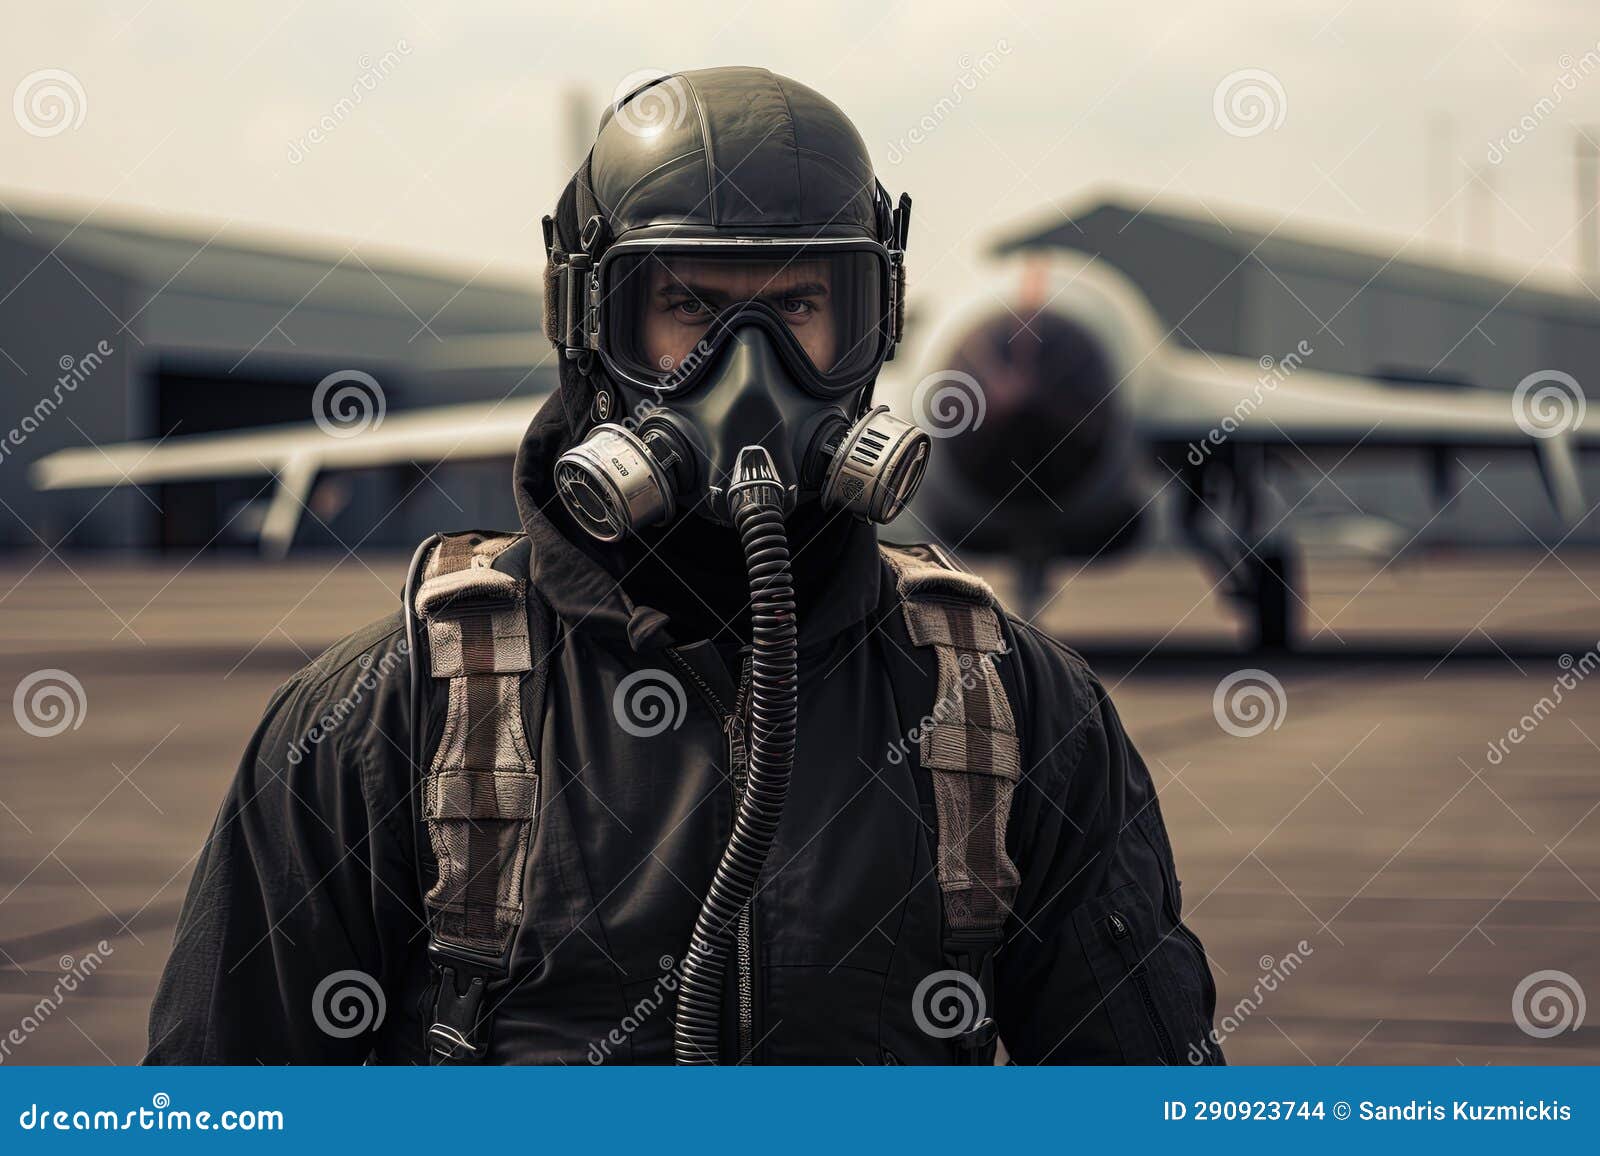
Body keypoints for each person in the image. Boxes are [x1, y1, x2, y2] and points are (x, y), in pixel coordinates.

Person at [147, 65, 1220, 1066]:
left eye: (801, 308)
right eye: (690, 310)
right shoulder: (389, 715)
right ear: (589, 329)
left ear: (873, 324)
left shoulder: (1014, 707)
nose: (748, 372)